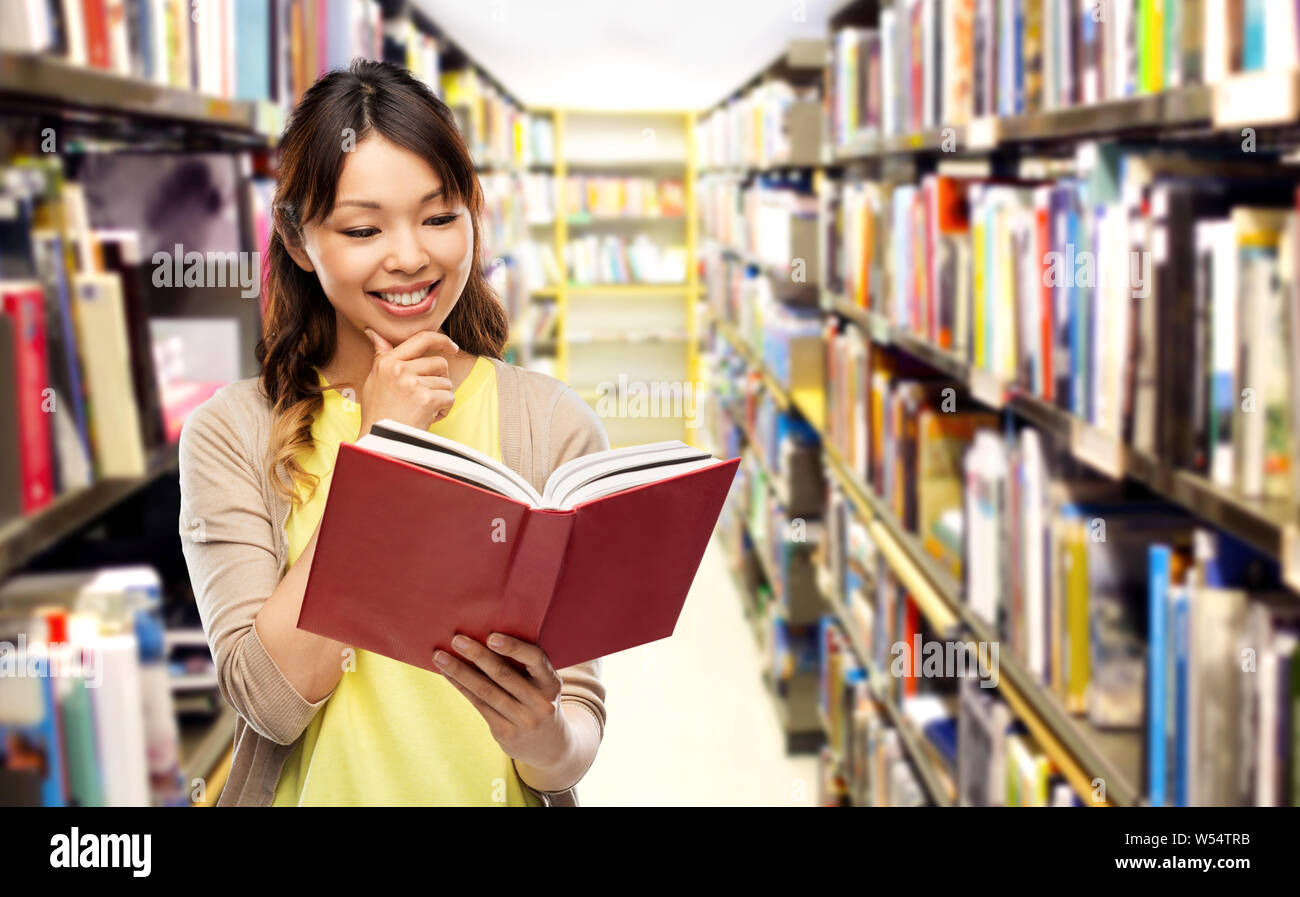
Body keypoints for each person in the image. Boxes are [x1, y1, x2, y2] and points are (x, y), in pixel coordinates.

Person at [178, 59, 608, 807]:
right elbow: (269, 702)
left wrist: (540, 733)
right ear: (300, 239)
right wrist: (381, 452)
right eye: (364, 227)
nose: (410, 255)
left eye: (440, 217)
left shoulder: (551, 424)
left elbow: (571, 743)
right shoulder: (230, 433)